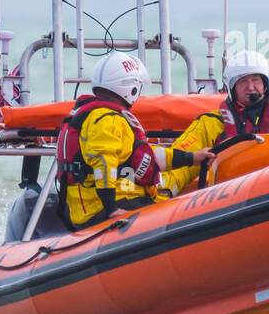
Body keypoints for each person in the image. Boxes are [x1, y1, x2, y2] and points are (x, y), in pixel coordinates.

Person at [58, 52, 213, 229]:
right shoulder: (107, 119)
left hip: (114, 202)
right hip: (105, 209)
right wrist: (111, 209)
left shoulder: (102, 116)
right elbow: (103, 161)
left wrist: (192, 158)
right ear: (129, 88)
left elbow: (146, 156)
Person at [159, 50, 269, 195]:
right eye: (242, 81)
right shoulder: (211, 124)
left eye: (256, 79)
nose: (250, 87)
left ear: (265, 82)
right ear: (231, 87)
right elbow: (180, 163)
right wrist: (162, 192)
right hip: (232, 196)